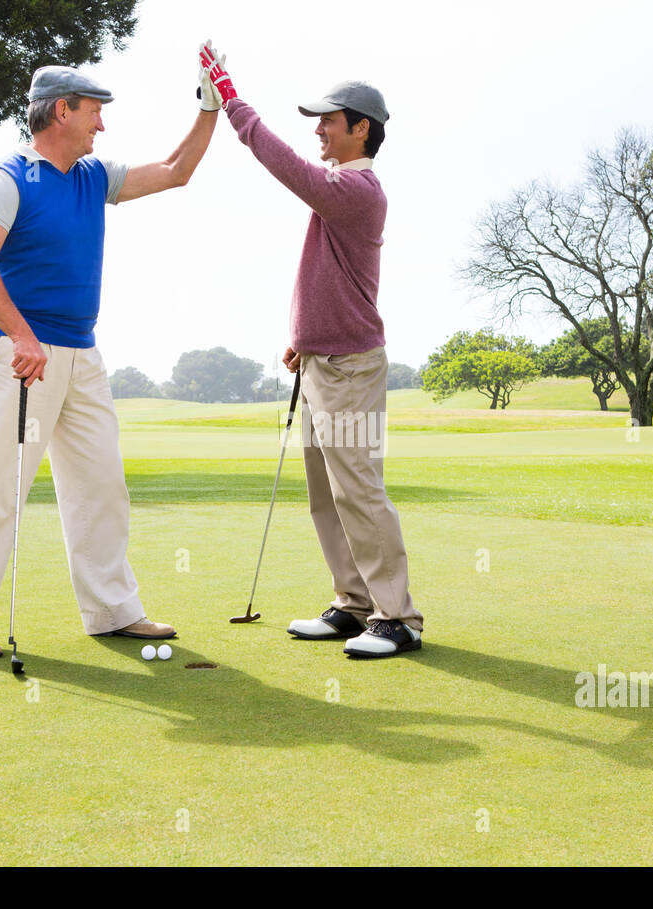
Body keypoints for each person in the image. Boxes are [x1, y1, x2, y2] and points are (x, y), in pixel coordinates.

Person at [0, 61, 222, 659]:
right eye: (94, 110)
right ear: (61, 109)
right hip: (22, 354)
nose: (102, 125)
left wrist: (208, 106)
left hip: (82, 353)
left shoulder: (94, 178)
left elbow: (175, 172)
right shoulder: (7, 177)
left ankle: (112, 610)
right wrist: (22, 336)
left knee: (100, 486)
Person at [200, 43, 424, 658]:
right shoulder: (339, 189)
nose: (320, 129)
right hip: (323, 360)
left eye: (329, 120)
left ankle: (397, 616)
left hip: (351, 366)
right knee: (326, 494)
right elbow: (323, 278)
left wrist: (234, 102)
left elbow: (286, 166)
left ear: (362, 129)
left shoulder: (359, 190)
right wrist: (304, 338)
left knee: (358, 489)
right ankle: (355, 605)